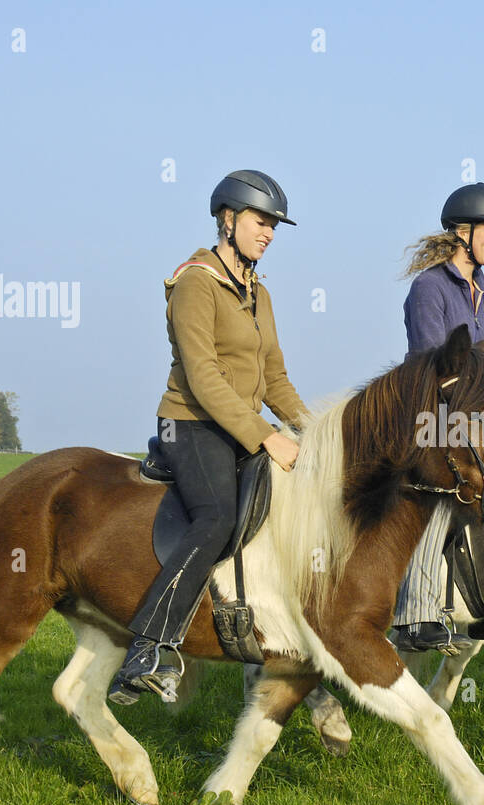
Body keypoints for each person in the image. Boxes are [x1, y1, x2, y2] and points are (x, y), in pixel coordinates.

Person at [109, 170, 310, 705]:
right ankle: (149, 646)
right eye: (260, 221)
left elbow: (275, 380)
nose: (269, 233)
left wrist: (314, 432)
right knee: (218, 515)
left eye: (274, 226)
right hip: (190, 422)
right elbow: (203, 377)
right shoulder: (196, 282)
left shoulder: (257, 293)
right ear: (228, 219)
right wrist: (266, 437)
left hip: (239, 427)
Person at [390, 182, 484, 653]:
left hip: (472, 421)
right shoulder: (428, 288)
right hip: (430, 416)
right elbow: (431, 365)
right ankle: (415, 618)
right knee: (439, 495)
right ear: (462, 232)